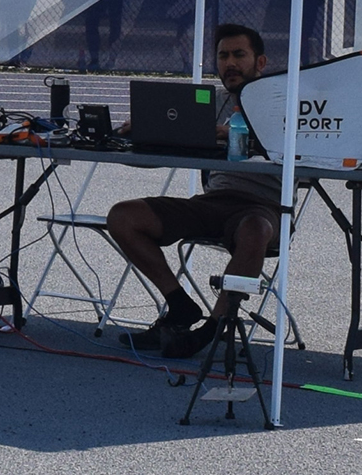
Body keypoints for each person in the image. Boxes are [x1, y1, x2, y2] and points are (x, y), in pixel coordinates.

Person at [106, 24, 281, 359]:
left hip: (261, 207)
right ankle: (179, 304)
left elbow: (296, 148)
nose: (229, 63)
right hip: (212, 202)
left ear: (260, 62)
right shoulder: (208, 101)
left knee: (255, 229)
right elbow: (177, 138)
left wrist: (222, 134)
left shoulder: (281, 101)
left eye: (238, 55)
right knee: (123, 216)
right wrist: (146, 129)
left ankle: (212, 330)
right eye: (223, 56)